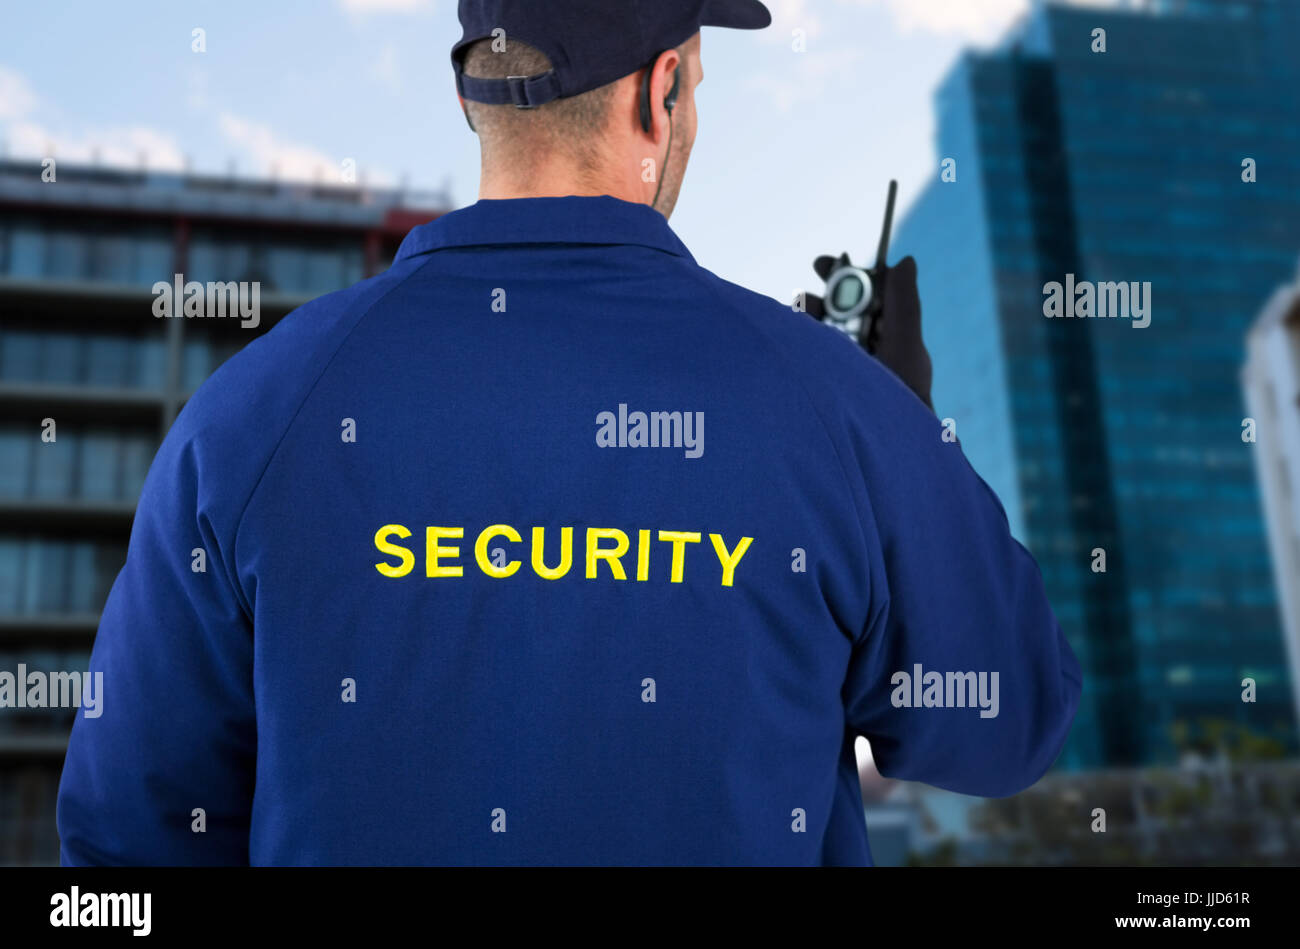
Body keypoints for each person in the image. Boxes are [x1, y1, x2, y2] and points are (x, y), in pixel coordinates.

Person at [57, 0, 1080, 865]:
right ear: (661, 91)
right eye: (697, 90)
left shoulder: (250, 415)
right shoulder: (837, 412)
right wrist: (908, 423)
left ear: (468, 96)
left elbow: (126, 837)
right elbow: (1007, 724)